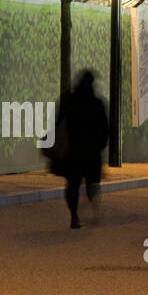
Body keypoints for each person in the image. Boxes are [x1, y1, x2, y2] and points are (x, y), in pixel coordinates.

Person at [54, 70, 109, 229]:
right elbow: (105, 128)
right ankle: (91, 207)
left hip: (73, 150)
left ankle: (74, 215)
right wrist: (101, 144)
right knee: (92, 182)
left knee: (72, 184)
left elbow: (58, 122)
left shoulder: (69, 100)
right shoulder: (96, 103)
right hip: (91, 150)